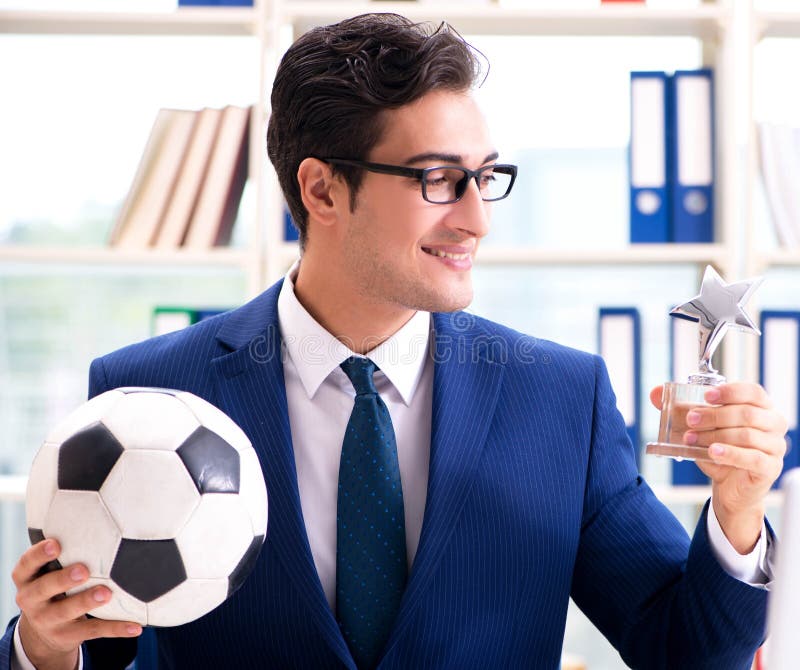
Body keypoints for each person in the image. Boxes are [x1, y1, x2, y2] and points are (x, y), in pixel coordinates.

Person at [2, 13, 788, 670]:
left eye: (487, 176)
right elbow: (100, 647)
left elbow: (685, 648)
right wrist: (42, 646)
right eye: (438, 180)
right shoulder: (146, 396)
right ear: (320, 188)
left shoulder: (561, 400)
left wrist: (738, 515)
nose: (477, 218)